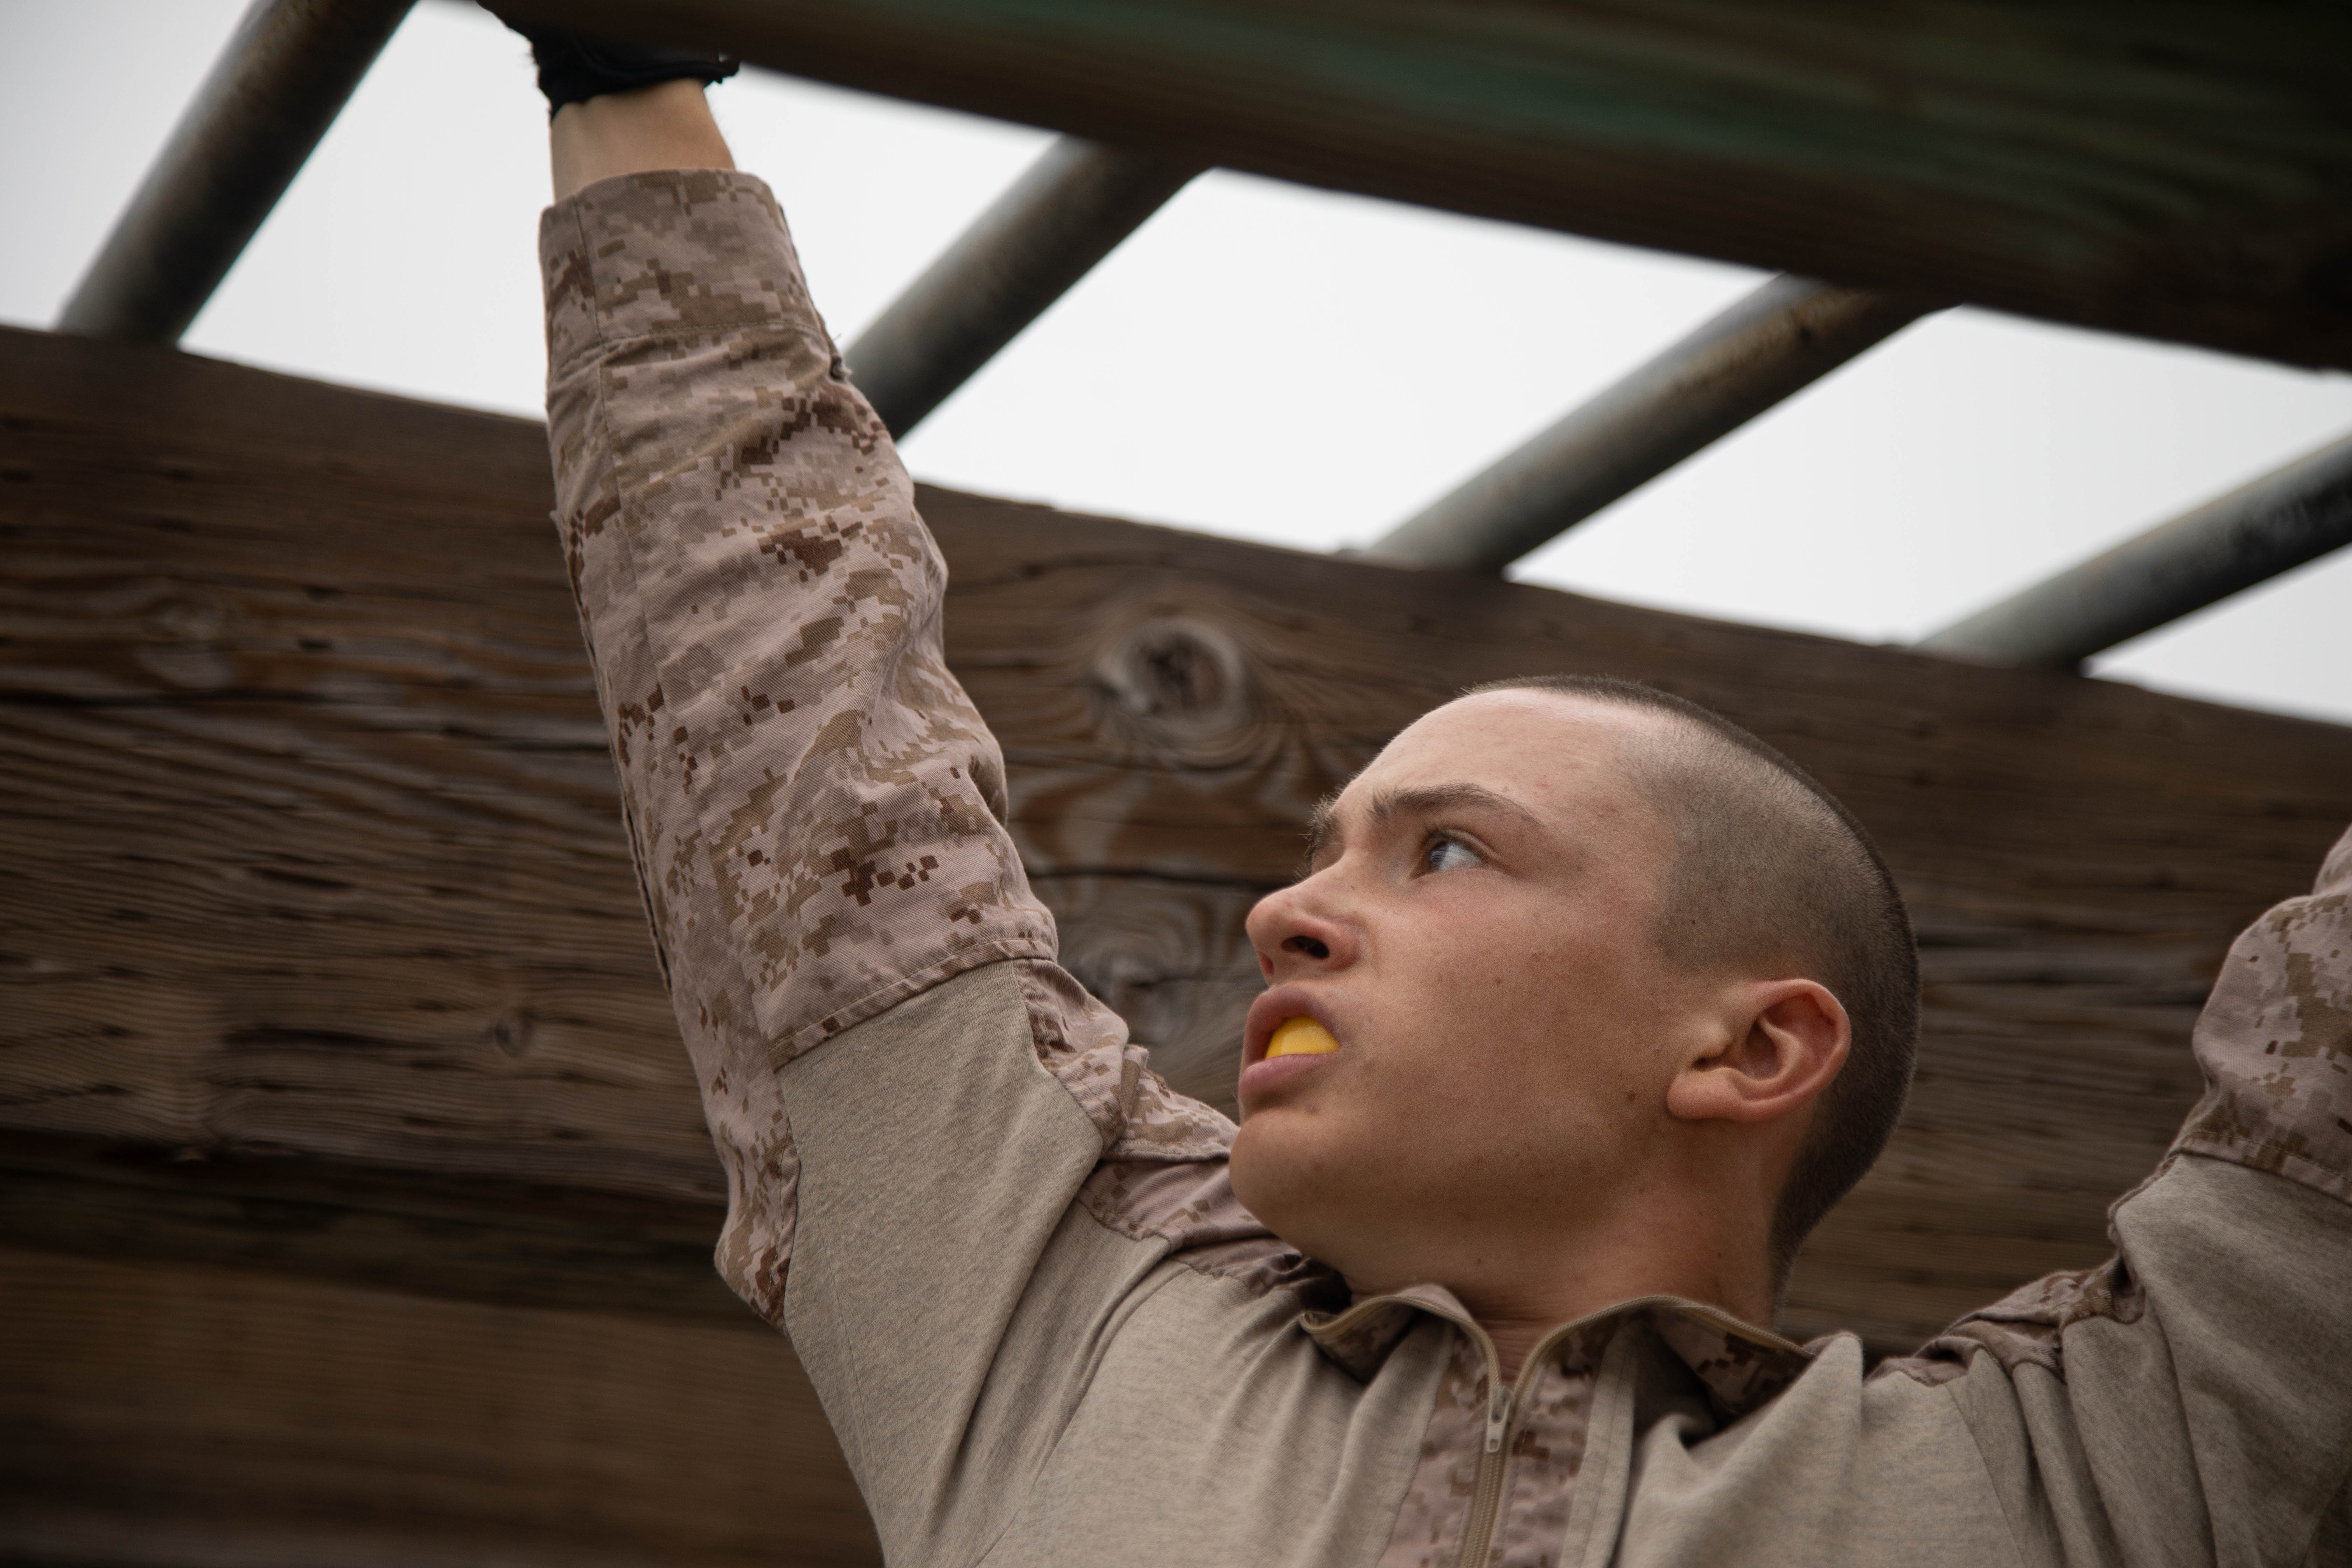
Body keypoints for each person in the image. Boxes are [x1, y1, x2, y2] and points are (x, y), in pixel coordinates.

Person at [505, 24, 2352, 1566]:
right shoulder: (1049, 1310)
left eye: (1446, 850)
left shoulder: (2087, 1484)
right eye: (1330, 849)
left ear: (1753, 1052)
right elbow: (789, 723)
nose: (1282, 912)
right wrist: (621, 61)